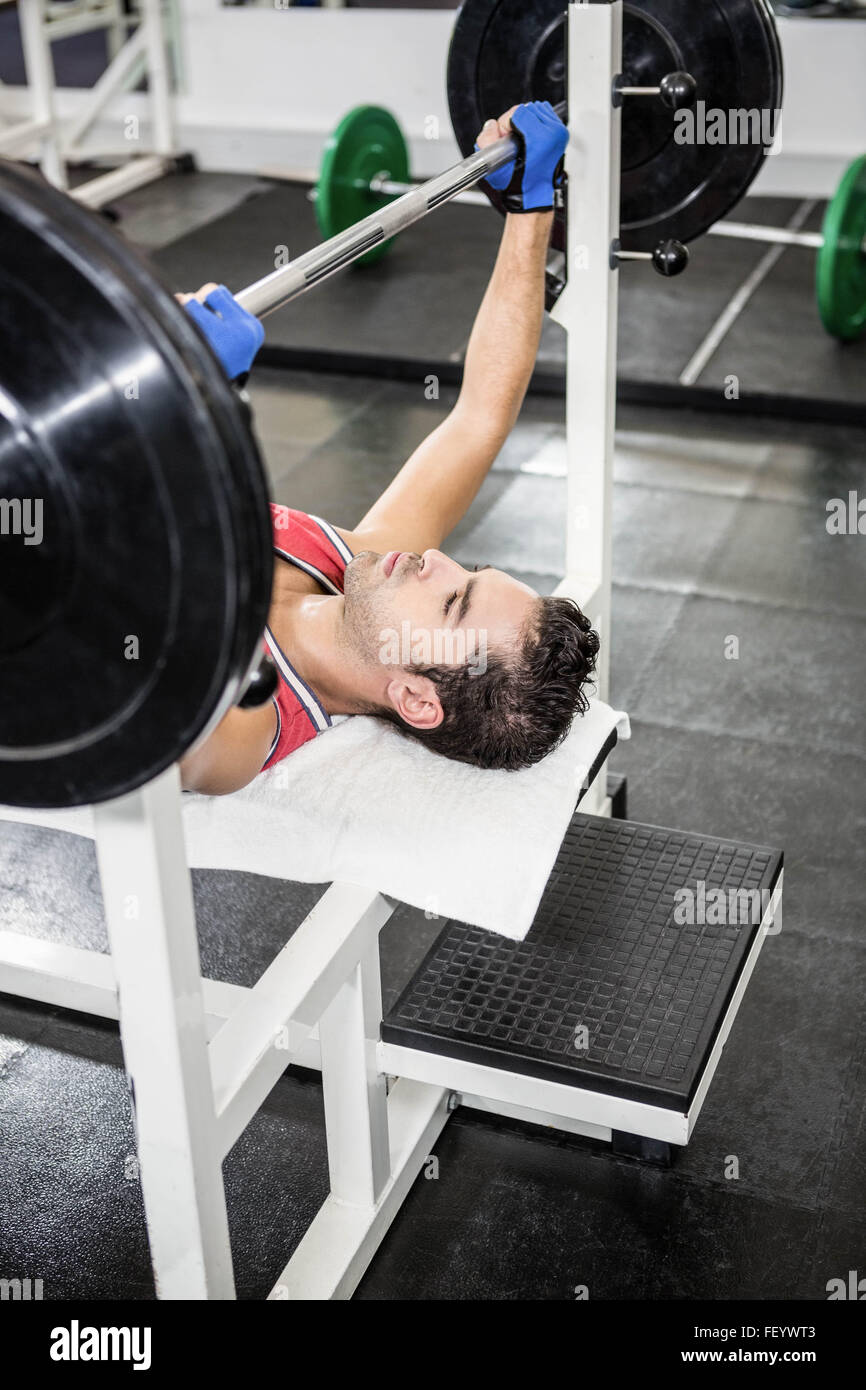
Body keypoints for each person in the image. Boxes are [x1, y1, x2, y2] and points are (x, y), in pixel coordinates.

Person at [178, 101, 599, 795]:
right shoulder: (350, 563)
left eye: (453, 603)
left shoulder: (247, 731)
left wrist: (202, 413)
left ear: (415, 699)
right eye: (466, 570)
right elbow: (480, 416)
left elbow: (164, 732)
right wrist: (531, 206)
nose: (433, 560)